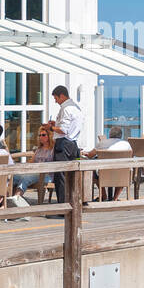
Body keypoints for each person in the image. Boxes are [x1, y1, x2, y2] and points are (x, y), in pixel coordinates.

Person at [48, 85, 82, 215]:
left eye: (56, 98)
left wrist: (51, 128)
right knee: (71, 177)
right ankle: (72, 204)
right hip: (73, 145)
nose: (55, 101)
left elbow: (64, 130)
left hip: (64, 144)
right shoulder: (76, 108)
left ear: (62, 96)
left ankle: (63, 208)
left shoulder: (66, 109)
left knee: (60, 176)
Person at [84, 125, 132, 201]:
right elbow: (130, 157)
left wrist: (84, 153)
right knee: (125, 173)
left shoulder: (102, 143)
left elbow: (90, 155)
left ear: (110, 134)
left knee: (93, 173)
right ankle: (115, 198)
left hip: (104, 173)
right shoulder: (126, 144)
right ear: (121, 135)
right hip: (121, 173)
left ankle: (104, 195)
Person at [12, 124, 55, 202]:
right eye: (39, 135)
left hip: (46, 175)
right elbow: (31, 162)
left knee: (25, 178)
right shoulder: (39, 149)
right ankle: (5, 199)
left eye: (43, 135)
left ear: (50, 136)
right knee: (13, 176)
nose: (40, 137)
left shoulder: (53, 150)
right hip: (34, 172)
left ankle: (16, 198)